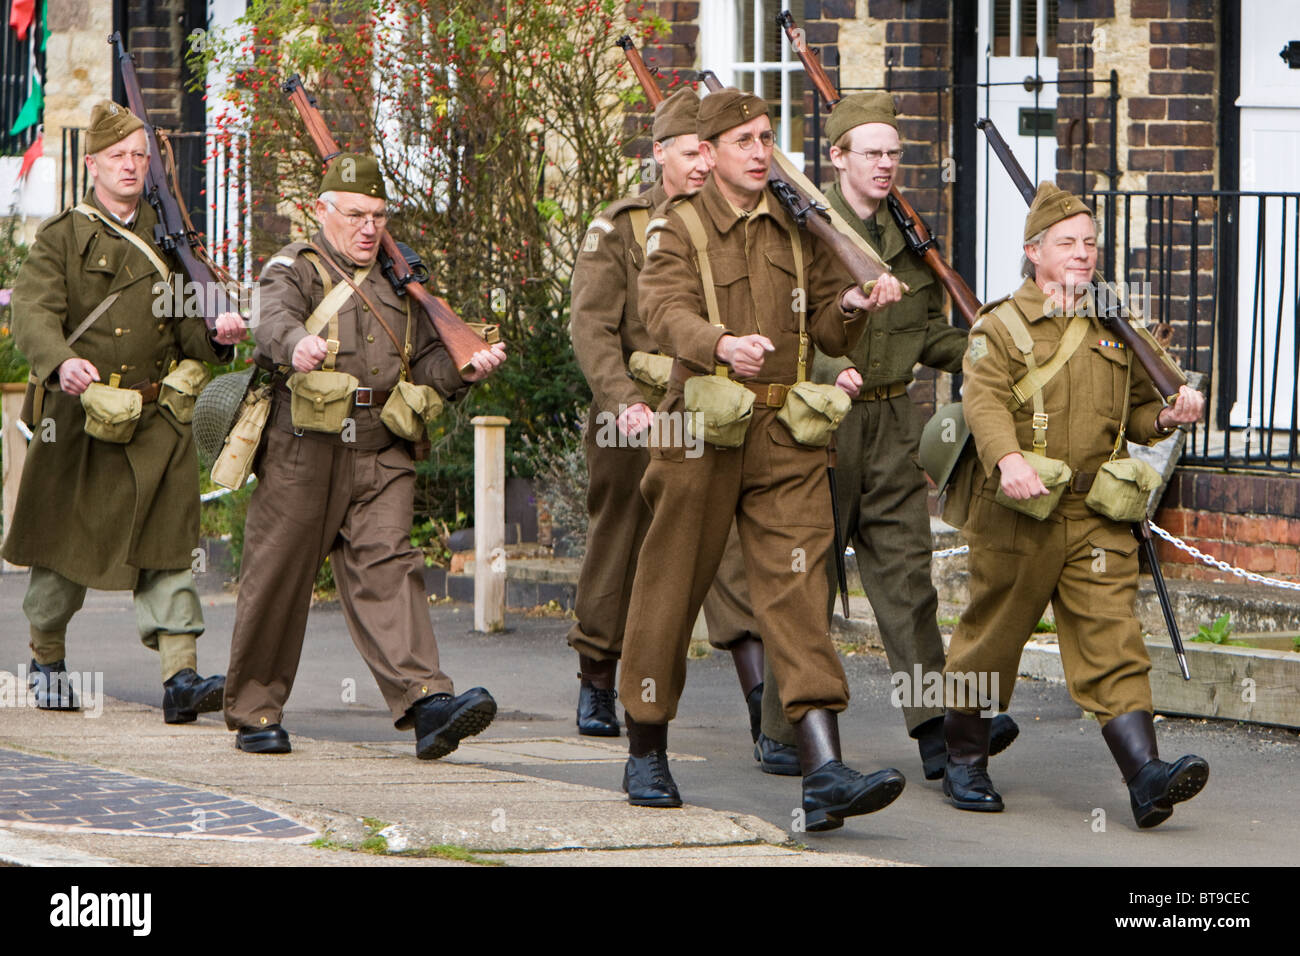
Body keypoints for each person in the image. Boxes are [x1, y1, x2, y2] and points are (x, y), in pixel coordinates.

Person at [617, 88, 907, 831]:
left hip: (785, 433)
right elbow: (662, 309)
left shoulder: (799, 226)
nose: (758, 151)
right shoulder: (673, 225)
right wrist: (718, 344)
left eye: (767, 137)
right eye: (743, 139)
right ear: (708, 154)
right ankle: (646, 745)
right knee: (670, 585)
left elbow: (833, 330)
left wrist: (853, 307)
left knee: (799, 594)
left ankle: (823, 768)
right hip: (700, 432)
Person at [941, 181, 1208, 828]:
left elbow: (1139, 411)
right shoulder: (1000, 325)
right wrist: (1006, 461)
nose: (1083, 253)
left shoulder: (1116, 322)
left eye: (1089, 243)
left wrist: (1169, 415)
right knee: (991, 636)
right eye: (1067, 243)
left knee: (1112, 635)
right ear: (1035, 252)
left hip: (1095, 512)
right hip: (1019, 509)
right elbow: (982, 402)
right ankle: (964, 759)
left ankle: (1145, 776)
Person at [223, 153, 507, 757]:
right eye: (354, 214)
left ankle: (427, 702)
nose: (367, 227)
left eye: (378, 215)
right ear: (321, 210)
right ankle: (254, 710)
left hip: (381, 445)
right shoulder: (296, 268)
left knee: (390, 566)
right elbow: (269, 317)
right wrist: (296, 345)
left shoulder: (401, 282)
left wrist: (465, 366)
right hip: (305, 448)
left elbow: (427, 362)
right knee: (278, 577)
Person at [788, 91, 1018, 779]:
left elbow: (928, 337)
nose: (887, 164)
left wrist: (991, 346)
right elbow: (784, 321)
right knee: (806, 581)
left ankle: (935, 732)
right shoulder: (805, 229)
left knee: (907, 581)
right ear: (838, 157)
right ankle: (782, 727)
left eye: (894, 153)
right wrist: (829, 368)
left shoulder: (911, 236)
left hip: (892, 425)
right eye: (873, 152)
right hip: (817, 424)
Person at [568, 87, 796, 773]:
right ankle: (597, 678)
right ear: (660, 153)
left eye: (709, 149)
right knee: (623, 540)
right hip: (637, 412)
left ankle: (763, 704)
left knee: (726, 552)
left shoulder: (736, 220)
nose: (703, 163)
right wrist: (619, 403)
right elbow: (592, 327)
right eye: (693, 150)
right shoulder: (622, 228)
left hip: (713, 411)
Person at [3, 100, 242, 721]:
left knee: (166, 545)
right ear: (92, 166)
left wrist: (220, 333)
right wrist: (59, 362)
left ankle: (180, 677)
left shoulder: (171, 241)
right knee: (64, 548)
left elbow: (192, 334)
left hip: (154, 419)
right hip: (80, 415)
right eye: (118, 156)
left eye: (140, 156)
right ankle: (48, 658)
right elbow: (30, 313)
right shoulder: (62, 236)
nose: (131, 165)